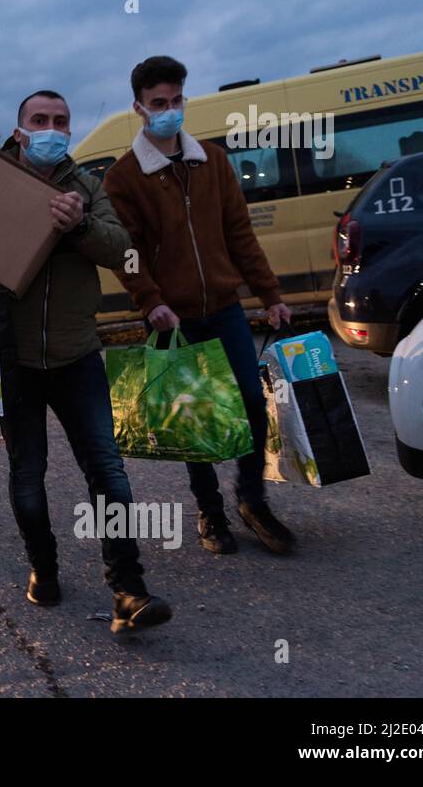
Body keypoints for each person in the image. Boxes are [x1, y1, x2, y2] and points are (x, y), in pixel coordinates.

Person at [0, 89, 171, 635]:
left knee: (107, 470)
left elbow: (121, 248)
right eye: (40, 120)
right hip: (13, 362)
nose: (51, 128)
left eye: (61, 121)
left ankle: (128, 588)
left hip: (77, 355)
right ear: (19, 131)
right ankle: (44, 568)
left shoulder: (85, 188)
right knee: (27, 476)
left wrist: (79, 225)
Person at [103, 56, 296, 555]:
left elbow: (240, 234)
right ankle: (210, 514)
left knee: (252, 405)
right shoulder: (124, 178)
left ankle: (252, 500)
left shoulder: (212, 161)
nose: (170, 111)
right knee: (192, 420)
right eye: (158, 104)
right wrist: (149, 301)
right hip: (173, 314)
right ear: (139, 108)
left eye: (176, 100)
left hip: (225, 306)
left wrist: (270, 295)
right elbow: (127, 252)